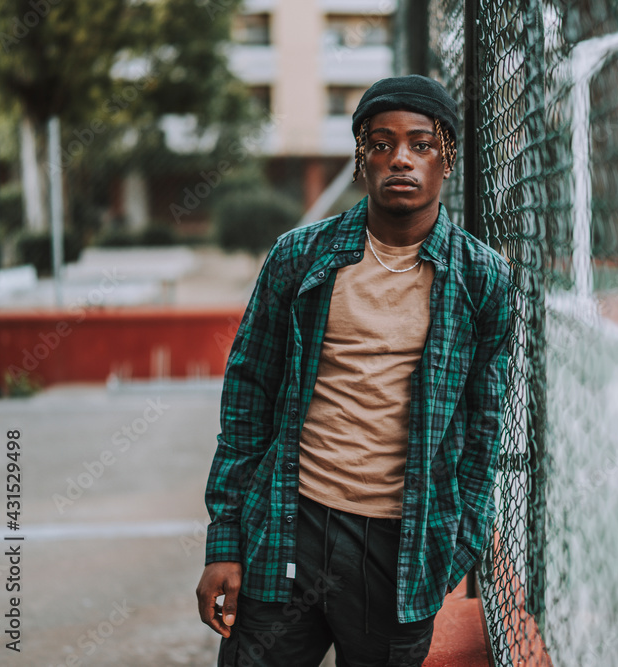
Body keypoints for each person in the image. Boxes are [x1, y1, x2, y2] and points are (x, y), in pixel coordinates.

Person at [195, 75, 511, 667]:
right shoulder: (299, 257)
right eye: (381, 143)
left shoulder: (482, 280)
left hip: (401, 547)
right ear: (360, 158)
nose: (401, 158)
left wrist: (457, 544)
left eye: (422, 144)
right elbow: (247, 399)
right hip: (292, 523)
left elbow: (484, 425)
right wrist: (225, 544)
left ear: (447, 161)